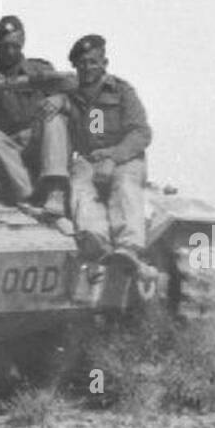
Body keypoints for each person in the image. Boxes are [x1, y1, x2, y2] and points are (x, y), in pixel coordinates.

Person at [48, 34, 153, 283]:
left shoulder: (122, 91)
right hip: (87, 161)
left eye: (93, 62)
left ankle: (128, 248)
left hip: (124, 159)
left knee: (125, 187)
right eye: (82, 63)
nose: (87, 68)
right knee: (82, 195)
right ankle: (98, 249)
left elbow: (141, 132)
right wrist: (57, 99)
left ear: (104, 63)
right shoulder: (72, 95)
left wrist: (113, 157)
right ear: (76, 66)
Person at [0, 15, 70, 213]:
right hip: (11, 149)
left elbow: (75, 96)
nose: (10, 51)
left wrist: (60, 99)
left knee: (55, 119)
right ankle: (28, 195)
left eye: (15, 46)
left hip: (40, 141)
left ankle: (55, 191)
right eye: (4, 46)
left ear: (22, 43)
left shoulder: (41, 70)